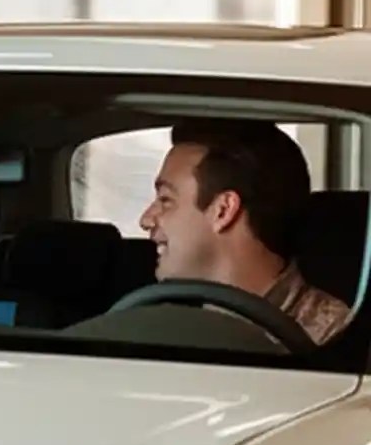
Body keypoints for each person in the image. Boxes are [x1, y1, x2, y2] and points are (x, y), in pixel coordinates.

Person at [138, 118, 352, 345]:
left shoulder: (339, 341)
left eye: (166, 200)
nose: (145, 220)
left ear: (223, 211)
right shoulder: (169, 325)